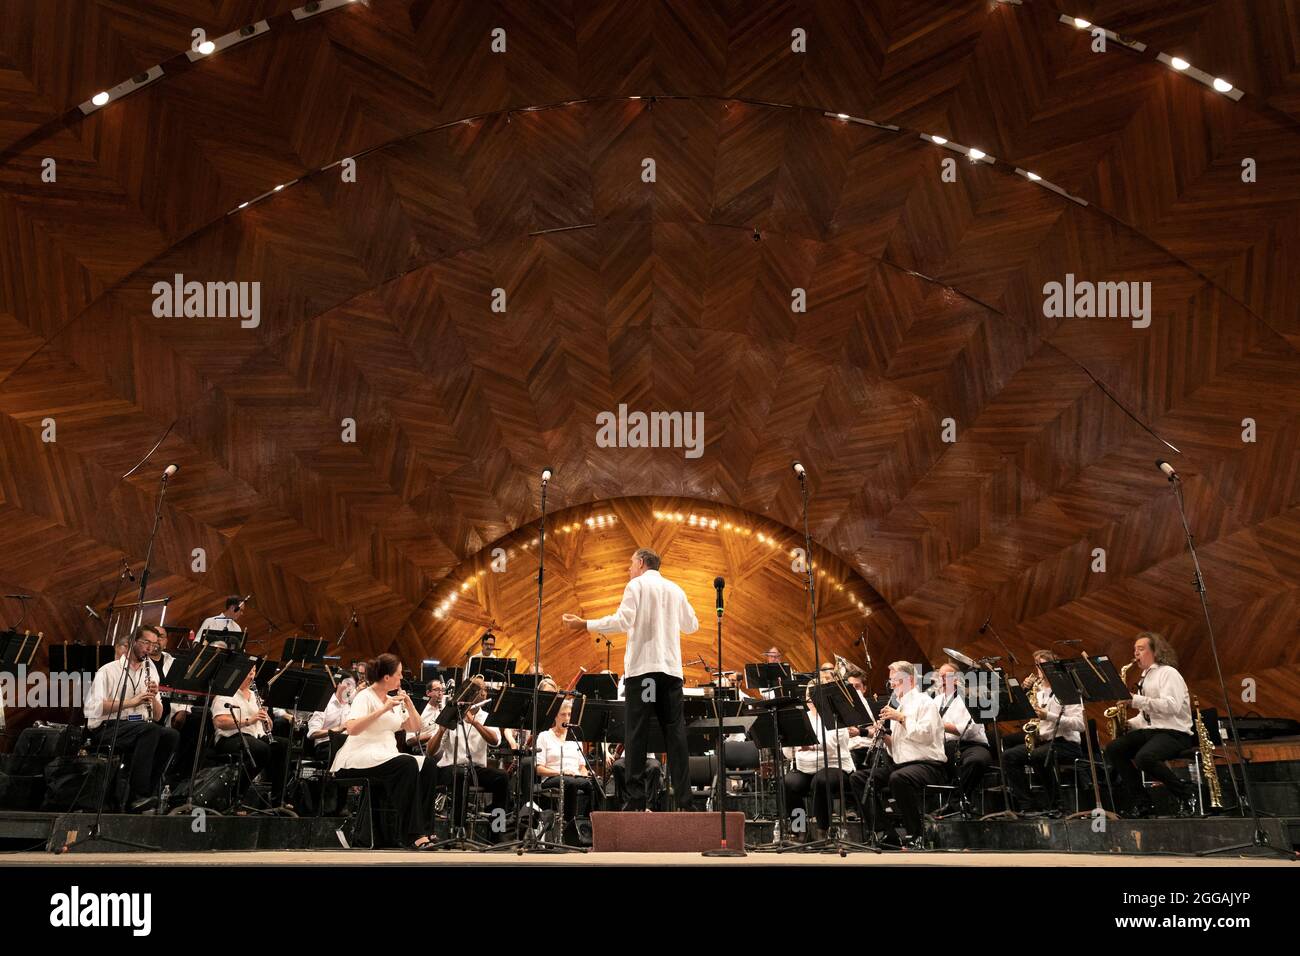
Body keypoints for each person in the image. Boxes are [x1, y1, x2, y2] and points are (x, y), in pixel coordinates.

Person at [563, 547, 698, 811]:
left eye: (630, 564)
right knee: (676, 734)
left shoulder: (636, 586)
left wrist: (584, 624)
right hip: (670, 673)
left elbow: (623, 622)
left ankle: (635, 799)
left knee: (636, 732)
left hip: (644, 672)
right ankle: (685, 801)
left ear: (641, 562)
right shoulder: (675, 589)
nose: (628, 569)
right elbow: (692, 625)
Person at [330, 654, 436, 849]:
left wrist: (410, 705)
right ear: (387, 677)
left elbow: (415, 727)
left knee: (427, 764)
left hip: (385, 755)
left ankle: (427, 830)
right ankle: (413, 834)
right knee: (407, 763)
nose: (401, 678)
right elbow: (352, 728)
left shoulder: (392, 700)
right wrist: (383, 709)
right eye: (399, 674)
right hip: (360, 755)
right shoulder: (365, 696)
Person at [851, 661, 947, 847]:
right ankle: (885, 833)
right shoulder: (899, 706)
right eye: (890, 680)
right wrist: (884, 736)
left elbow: (925, 736)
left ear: (909, 679)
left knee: (898, 778)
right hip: (903, 765)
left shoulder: (925, 702)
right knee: (859, 779)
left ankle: (918, 834)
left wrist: (901, 718)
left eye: (895, 679)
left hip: (929, 764)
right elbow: (898, 748)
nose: (892, 684)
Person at [84, 626, 179, 812]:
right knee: (150, 731)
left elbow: (158, 716)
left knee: (171, 735)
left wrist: (154, 696)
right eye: (145, 643)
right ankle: (137, 795)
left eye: (153, 644)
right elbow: (92, 708)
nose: (149, 648)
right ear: (133, 642)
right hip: (107, 727)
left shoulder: (149, 672)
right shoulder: (108, 671)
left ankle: (148, 792)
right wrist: (131, 702)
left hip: (138, 726)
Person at [1104, 632, 1196, 818]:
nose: (1136, 654)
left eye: (1141, 649)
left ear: (1155, 651)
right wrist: (1128, 724)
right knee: (1114, 749)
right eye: (1134, 650)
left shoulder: (1168, 673)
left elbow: (1172, 706)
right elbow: (1146, 717)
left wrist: (1135, 700)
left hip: (1175, 733)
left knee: (1144, 757)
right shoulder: (1145, 677)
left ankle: (1185, 794)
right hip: (1153, 731)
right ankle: (1143, 803)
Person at [1002, 650, 1084, 815]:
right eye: (1038, 665)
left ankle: (1056, 804)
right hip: (1044, 742)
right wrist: (1022, 693)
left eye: (1043, 665)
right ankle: (1028, 804)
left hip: (1067, 743)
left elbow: (1080, 725)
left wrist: (1049, 716)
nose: (1040, 669)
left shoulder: (1068, 690)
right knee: (1009, 756)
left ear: (1054, 667)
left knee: (1039, 755)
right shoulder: (1037, 691)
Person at [426, 679, 509, 840]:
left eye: (484, 690)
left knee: (502, 777)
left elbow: (494, 741)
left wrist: (475, 723)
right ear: (469, 694)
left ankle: (497, 831)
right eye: (480, 690)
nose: (484, 693)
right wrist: (441, 730)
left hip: (475, 769)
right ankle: (458, 830)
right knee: (460, 774)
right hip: (450, 767)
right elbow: (430, 751)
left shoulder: (486, 717)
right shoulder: (451, 714)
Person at [211, 664, 290, 808]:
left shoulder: (254, 695)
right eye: (248, 672)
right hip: (230, 738)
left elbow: (264, 725)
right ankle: (237, 796)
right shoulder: (226, 693)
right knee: (261, 749)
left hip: (255, 736)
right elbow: (220, 721)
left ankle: (277, 799)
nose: (252, 676)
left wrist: (267, 721)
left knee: (283, 745)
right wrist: (250, 720)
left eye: (253, 672)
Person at [783, 688, 854, 842]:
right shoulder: (801, 719)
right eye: (809, 696)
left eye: (815, 696)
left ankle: (823, 830)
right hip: (805, 768)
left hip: (836, 767)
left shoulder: (835, 718)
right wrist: (788, 743)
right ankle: (799, 829)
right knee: (788, 783)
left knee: (820, 781)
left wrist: (811, 745)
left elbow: (832, 745)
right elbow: (789, 753)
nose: (811, 701)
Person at [932, 663, 991, 816]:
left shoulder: (970, 697)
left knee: (977, 761)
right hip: (946, 747)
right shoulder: (936, 701)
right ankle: (960, 803)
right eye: (941, 676)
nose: (943, 679)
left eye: (947, 676)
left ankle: (955, 801)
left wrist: (940, 724)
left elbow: (970, 730)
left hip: (972, 745)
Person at [534, 699, 596, 833]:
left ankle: (588, 826)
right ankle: (569, 827)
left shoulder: (574, 737)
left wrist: (584, 773)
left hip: (574, 776)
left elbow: (582, 766)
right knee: (570, 783)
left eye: (569, 714)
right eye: (563, 714)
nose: (567, 718)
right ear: (555, 716)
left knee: (595, 784)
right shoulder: (544, 736)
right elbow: (539, 768)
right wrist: (560, 772)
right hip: (552, 778)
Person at [307, 678, 354, 761]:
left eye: (353, 685)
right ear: (338, 684)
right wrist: (336, 730)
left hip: (346, 744)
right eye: (348, 684)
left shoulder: (351, 706)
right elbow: (312, 734)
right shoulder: (324, 703)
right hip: (325, 746)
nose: (350, 688)